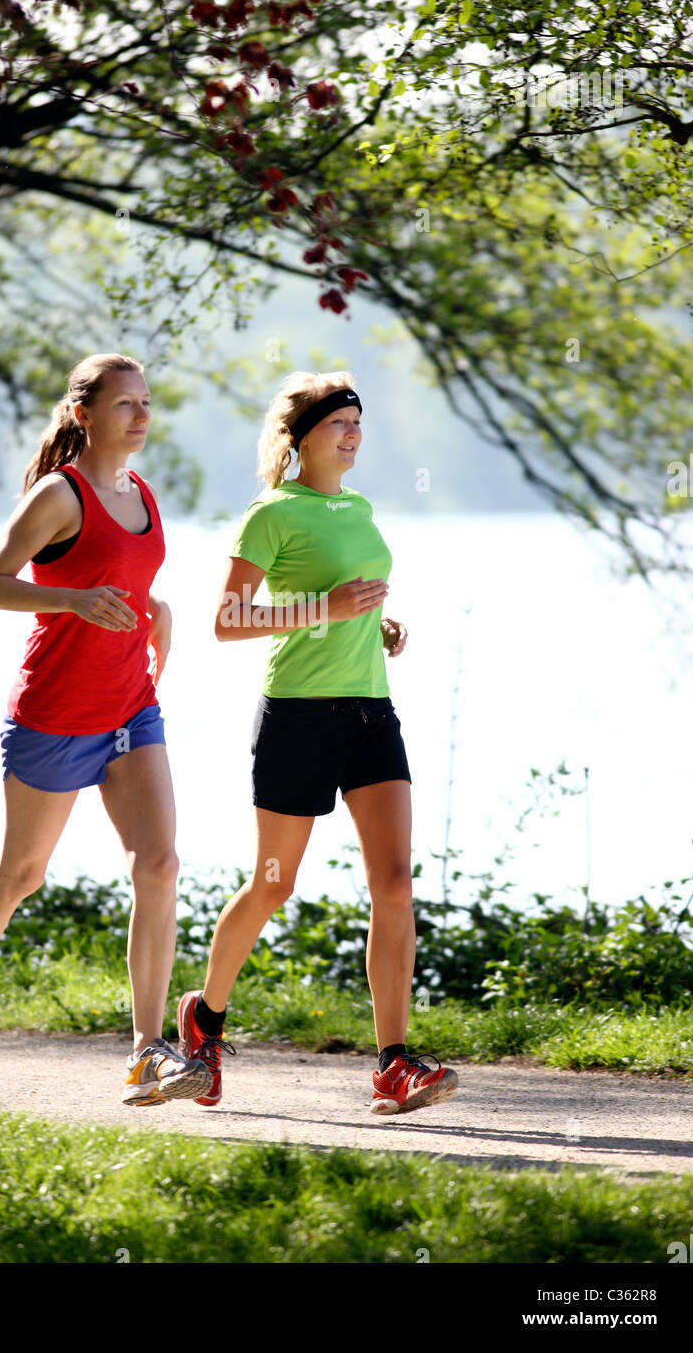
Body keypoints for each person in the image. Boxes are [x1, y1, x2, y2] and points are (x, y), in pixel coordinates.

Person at [0, 352, 209, 1107]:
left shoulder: (139, 491)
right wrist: (75, 602)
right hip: (54, 716)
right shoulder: (60, 495)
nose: (141, 416)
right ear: (84, 413)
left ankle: (149, 1050)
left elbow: (129, 583)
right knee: (21, 876)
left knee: (160, 863)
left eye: (146, 403)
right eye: (125, 405)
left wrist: (159, 610)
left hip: (130, 708)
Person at [177, 370, 459, 1116]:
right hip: (298, 717)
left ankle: (393, 1065)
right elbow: (228, 620)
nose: (353, 435)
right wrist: (326, 607)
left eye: (358, 423)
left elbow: (349, 600)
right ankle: (203, 1020)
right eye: (339, 424)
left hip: (371, 713)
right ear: (302, 437)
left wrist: (375, 625)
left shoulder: (357, 506)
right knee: (273, 883)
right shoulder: (271, 513)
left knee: (394, 885)